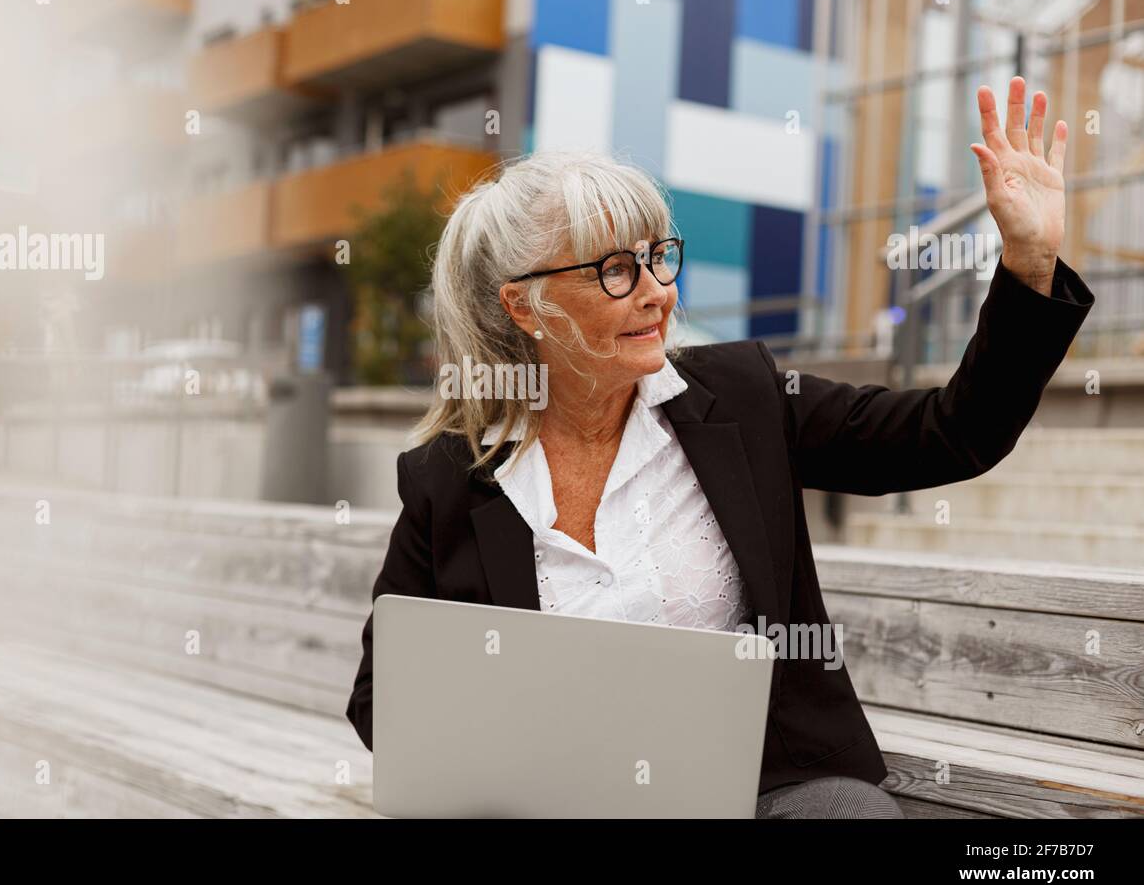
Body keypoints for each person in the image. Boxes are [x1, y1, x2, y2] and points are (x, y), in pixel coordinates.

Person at [346, 77, 1094, 818]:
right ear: (524, 304)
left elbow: (950, 435)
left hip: (758, 797)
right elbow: (383, 701)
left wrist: (1028, 264)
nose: (656, 291)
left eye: (658, 256)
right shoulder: (451, 476)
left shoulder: (744, 398)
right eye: (614, 270)